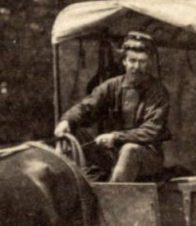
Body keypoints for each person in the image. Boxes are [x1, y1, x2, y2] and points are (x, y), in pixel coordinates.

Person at [54, 31, 170, 182]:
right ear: (124, 62)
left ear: (148, 63)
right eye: (132, 61)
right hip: (113, 153)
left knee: (129, 150)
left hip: (147, 155)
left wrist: (115, 137)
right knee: (73, 135)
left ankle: (112, 200)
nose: (136, 66)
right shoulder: (112, 85)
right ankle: (75, 190)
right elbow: (86, 107)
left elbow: (151, 131)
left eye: (142, 62)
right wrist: (66, 121)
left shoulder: (158, 91)